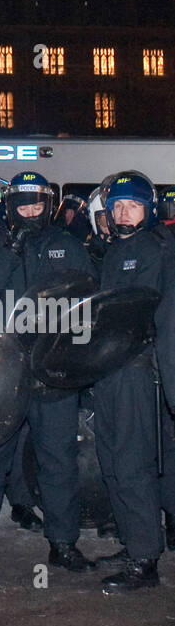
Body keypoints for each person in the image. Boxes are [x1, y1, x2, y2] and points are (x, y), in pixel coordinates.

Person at [0, 171, 97, 575]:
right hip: (3, 372)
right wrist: (10, 252)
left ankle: (62, 542)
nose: (30, 212)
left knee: (57, 460)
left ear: (48, 205)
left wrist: (74, 359)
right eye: (22, 205)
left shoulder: (68, 246)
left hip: (53, 374)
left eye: (37, 204)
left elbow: (87, 306)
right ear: (10, 207)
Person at [95, 172, 175, 592]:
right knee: (111, 460)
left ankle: (145, 560)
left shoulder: (158, 249)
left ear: (150, 209)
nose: (124, 213)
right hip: (110, 371)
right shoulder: (115, 251)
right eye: (118, 206)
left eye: (133, 205)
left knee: (132, 463)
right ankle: (132, 541)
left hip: (139, 372)